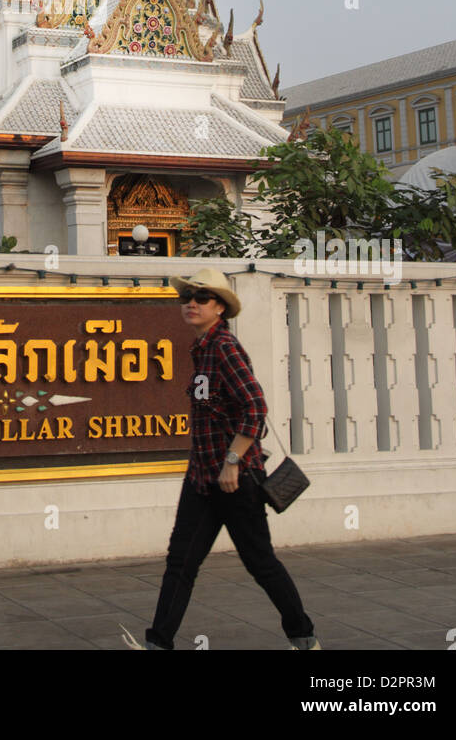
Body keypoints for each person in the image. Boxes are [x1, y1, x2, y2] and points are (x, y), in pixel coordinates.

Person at [123, 268, 320, 651]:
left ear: (220, 308)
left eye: (201, 299)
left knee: (260, 562)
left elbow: (255, 406)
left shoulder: (224, 348)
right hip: (201, 478)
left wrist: (233, 461)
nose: (191, 305)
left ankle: (304, 637)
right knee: (181, 563)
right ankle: (158, 642)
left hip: (235, 481)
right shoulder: (202, 348)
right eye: (187, 299)